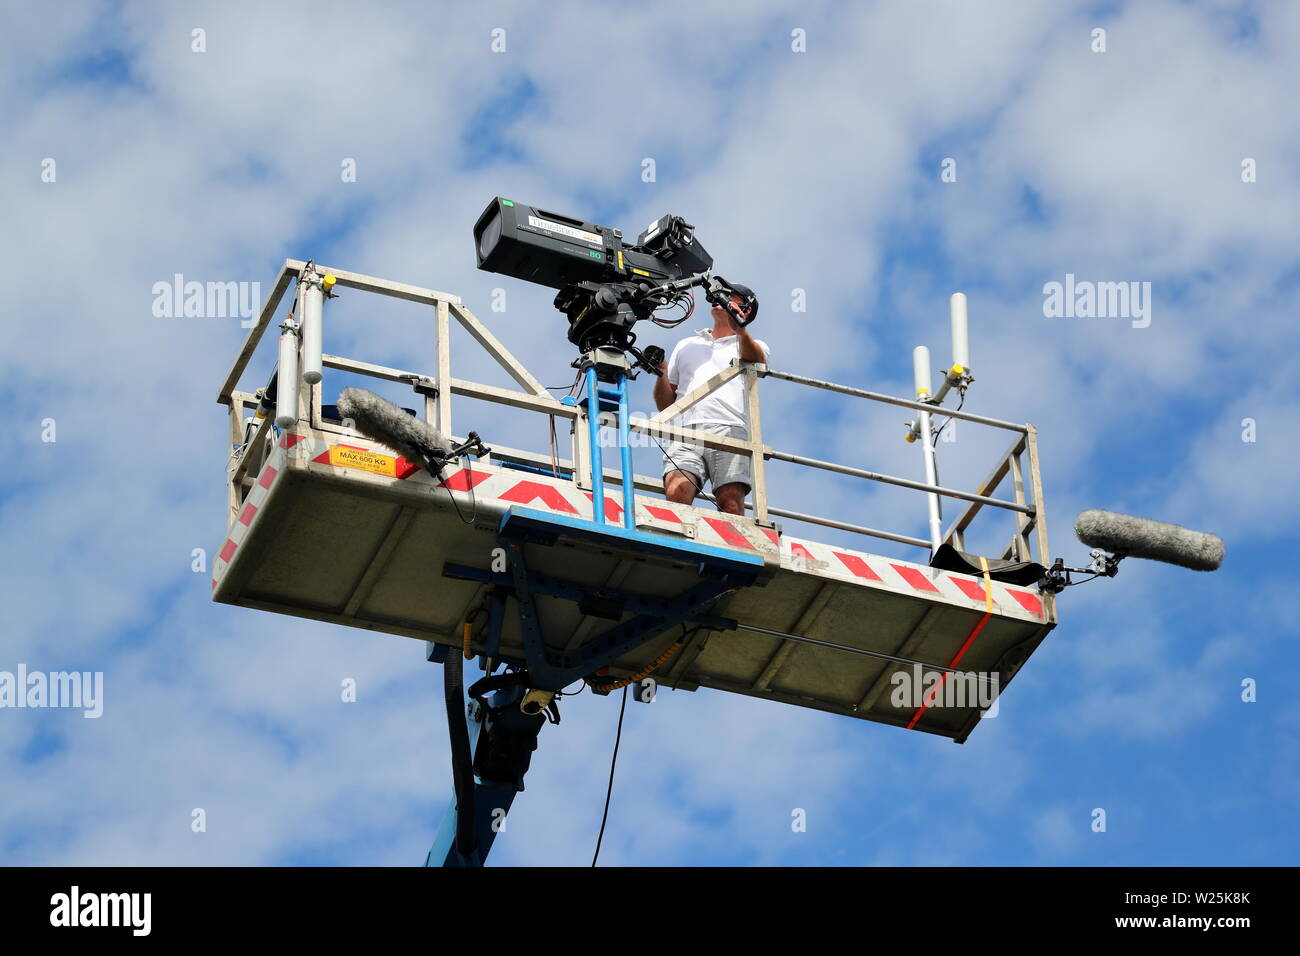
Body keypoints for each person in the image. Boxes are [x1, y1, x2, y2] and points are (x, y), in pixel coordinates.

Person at [652, 287, 770, 516]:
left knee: (731, 502)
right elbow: (666, 405)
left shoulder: (752, 344)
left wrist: (740, 328)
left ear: (745, 309)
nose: (721, 299)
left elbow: (757, 359)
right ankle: (678, 545)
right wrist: (660, 373)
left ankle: (732, 547)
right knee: (677, 492)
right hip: (685, 429)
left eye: (731, 298)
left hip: (729, 427)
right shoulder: (686, 344)